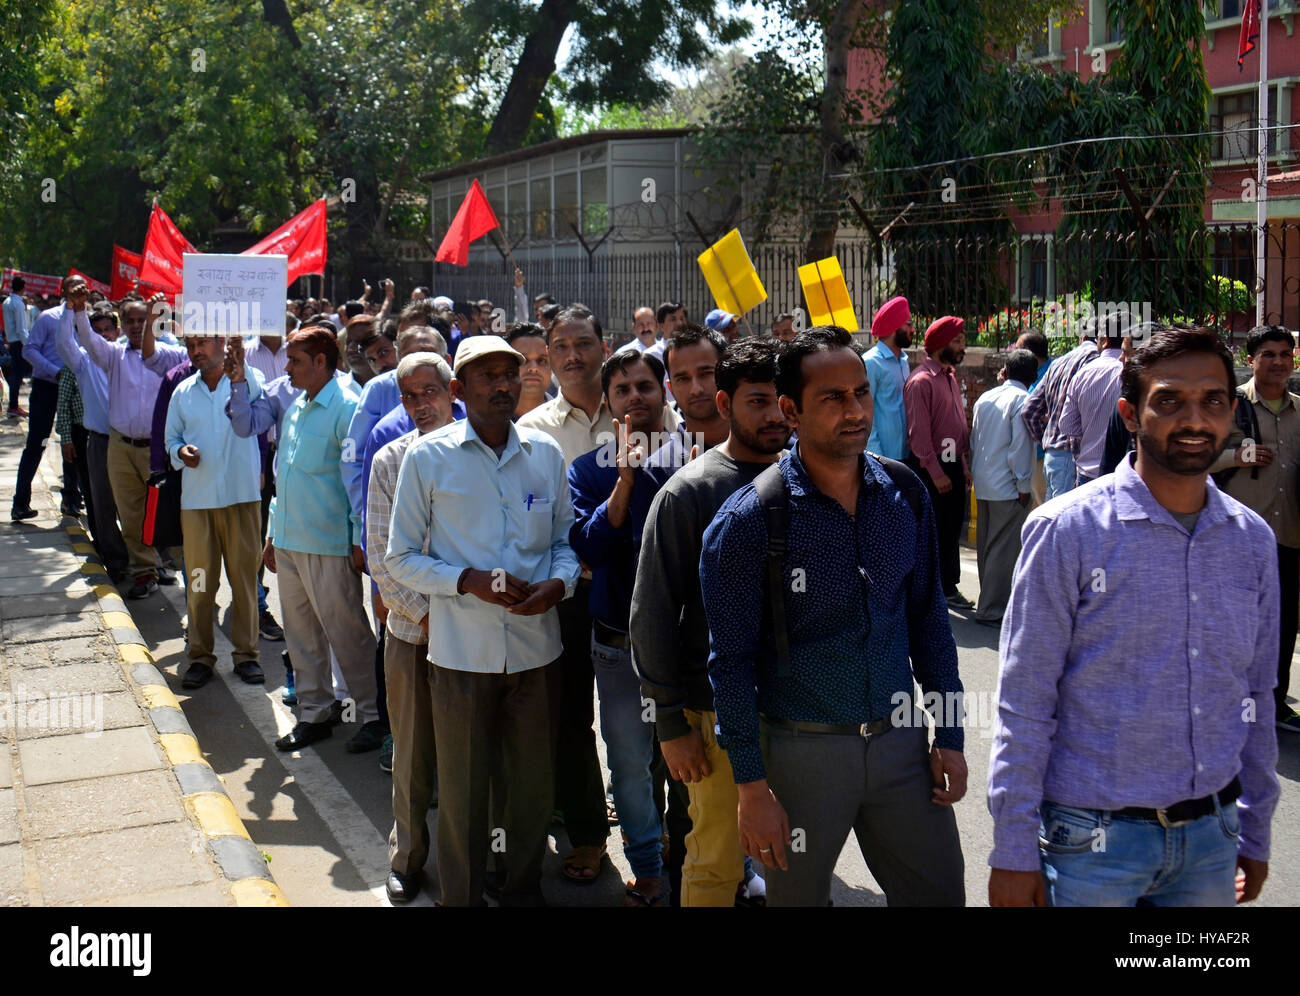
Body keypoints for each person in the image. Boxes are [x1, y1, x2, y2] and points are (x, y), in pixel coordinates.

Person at [989, 326, 1280, 907]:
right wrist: (1013, 850)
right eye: (1169, 400)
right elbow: (1024, 701)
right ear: (1129, 412)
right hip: (1091, 846)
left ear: (1231, 414)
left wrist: (1256, 827)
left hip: (1212, 841)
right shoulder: (1065, 532)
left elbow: (1257, 693)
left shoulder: (1251, 541)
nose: (1194, 420)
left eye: (1213, 401)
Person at [699, 326, 966, 907]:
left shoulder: (905, 494)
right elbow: (731, 665)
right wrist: (751, 787)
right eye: (833, 398)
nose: (855, 411)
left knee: (940, 893)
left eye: (861, 394)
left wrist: (949, 733)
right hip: (801, 758)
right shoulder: (749, 521)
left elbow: (930, 625)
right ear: (791, 410)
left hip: (901, 749)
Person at [385, 335, 580, 906]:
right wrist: (465, 580)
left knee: (529, 791)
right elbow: (398, 559)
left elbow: (565, 543)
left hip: (536, 652)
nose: (501, 386)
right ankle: (462, 897)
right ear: (458, 390)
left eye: (509, 375)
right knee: (464, 794)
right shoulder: (428, 457)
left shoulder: (544, 454)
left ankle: (522, 890)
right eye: (487, 376)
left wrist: (558, 584)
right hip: (460, 656)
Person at [633, 337, 790, 906]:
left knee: (795, 857)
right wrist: (671, 724)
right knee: (716, 860)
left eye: (781, 399)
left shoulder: (815, 479)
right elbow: (650, 614)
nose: (774, 414)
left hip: (804, 712)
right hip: (714, 714)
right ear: (724, 405)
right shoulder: (690, 492)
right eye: (757, 402)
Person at [231, 325, 382, 753]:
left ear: (321, 361)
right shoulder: (297, 405)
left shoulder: (348, 407)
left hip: (330, 543)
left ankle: (373, 716)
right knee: (301, 635)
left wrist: (357, 542)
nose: (288, 368)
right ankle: (315, 713)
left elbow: (356, 484)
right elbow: (285, 478)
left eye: (296, 361)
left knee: (347, 633)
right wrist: (274, 535)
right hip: (292, 542)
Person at [568, 351, 674, 906]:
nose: (635, 397)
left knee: (698, 757)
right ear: (607, 402)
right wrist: (626, 479)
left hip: (685, 646)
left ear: (664, 393)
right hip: (617, 643)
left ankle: (717, 859)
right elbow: (588, 547)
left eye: (644, 386)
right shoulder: (588, 470)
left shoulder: (698, 461)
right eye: (622, 389)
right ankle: (648, 865)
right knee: (630, 763)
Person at [516, 308, 615, 883]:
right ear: (549, 359)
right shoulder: (533, 432)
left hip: (635, 594)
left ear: (604, 347)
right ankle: (588, 832)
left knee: (651, 722)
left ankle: (666, 835)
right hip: (570, 597)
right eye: (561, 347)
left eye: (583, 343)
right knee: (571, 717)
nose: (573, 355)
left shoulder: (640, 411)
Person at [366, 351, 456, 903]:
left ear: (453, 391)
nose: (420, 404)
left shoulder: (486, 451)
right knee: (412, 755)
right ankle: (407, 857)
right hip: (412, 634)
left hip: (476, 637)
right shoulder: (390, 460)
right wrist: (428, 617)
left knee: (476, 755)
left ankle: (482, 857)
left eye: (430, 391)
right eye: (409, 395)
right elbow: (381, 554)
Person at [156, 328, 265, 689]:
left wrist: (242, 371)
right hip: (198, 502)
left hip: (242, 498)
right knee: (200, 583)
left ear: (222, 342)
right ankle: (200, 656)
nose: (195, 351)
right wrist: (179, 453)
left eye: (202, 343)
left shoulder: (251, 380)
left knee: (245, 581)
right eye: (190, 345)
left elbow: (261, 419)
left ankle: (247, 655)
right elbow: (170, 438)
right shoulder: (183, 392)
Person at [1208, 325, 1300, 734]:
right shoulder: (1231, 406)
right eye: (1269, 354)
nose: (1278, 362)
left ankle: (1275, 704)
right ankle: (1231, 703)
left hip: (1290, 535)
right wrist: (1235, 457)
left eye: (1285, 354)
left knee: (1283, 625)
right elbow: (1201, 460)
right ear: (1252, 359)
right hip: (1239, 539)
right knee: (1236, 624)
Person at [73, 292, 188, 597]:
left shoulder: (170, 356)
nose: (137, 326)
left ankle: (187, 576)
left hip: (159, 449)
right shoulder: (113, 355)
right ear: (122, 324)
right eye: (132, 321)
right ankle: (143, 572)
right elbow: (86, 337)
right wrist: (78, 308)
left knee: (168, 512)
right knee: (131, 513)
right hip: (120, 447)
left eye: (143, 320)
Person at [56, 304, 129, 579]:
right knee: (103, 506)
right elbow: (63, 342)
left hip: (131, 443)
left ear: (116, 331)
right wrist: (71, 308)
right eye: (95, 331)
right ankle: (117, 563)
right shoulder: (82, 361)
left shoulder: (128, 357)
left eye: (107, 330)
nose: (101, 336)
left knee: (135, 505)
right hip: (99, 442)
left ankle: (148, 564)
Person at [903, 316, 972, 608]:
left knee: (952, 527)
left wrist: (963, 467)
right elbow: (919, 435)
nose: (962, 345)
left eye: (962, 340)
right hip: (932, 469)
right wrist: (936, 472)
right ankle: (935, 589)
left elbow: (957, 426)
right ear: (940, 344)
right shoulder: (921, 381)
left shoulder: (950, 376)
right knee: (935, 530)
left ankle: (948, 585)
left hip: (953, 464)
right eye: (957, 340)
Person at [969, 349, 1037, 626]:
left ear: (1006, 371)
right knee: (1002, 548)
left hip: (983, 480)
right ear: (1033, 376)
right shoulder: (1023, 399)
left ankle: (989, 601)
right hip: (1007, 484)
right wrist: (1023, 485)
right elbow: (1019, 448)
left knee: (987, 546)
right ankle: (992, 608)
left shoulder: (986, 397)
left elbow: (974, 440)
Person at [11, 276, 80, 521]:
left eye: (83, 289)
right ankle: (20, 502)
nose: (79, 293)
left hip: (74, 391)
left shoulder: (85, 321)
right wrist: (55, 371)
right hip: (47, 388)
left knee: (72, 444)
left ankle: (71, 500)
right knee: (37, 444)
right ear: (64, 291)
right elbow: (29, 349)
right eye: (74, 288)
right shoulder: (49, 318)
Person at [1021, 321, 1099, 500]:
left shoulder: (1059, 363)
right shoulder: (1095, 361)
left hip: (1052, 455)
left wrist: (1046, 441)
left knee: (1053, 518)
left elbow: (1029, 410)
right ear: (1102, 339)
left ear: (1082, 337)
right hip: (1071, 457)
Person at [1058, 309, 1133, 486]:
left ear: (1104, 340)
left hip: (1088, 474)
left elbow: (1066, 425)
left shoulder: (1083, 374)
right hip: (1125, 474)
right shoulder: (1138, 374)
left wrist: (1091, 429)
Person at [863, 295, 913, 461]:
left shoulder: (904, 361)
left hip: (906, 455)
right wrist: (876, 458)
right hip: (882, 458)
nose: (913, 330)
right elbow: (865, 412)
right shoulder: (871, 362)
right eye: (909, 324)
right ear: (894, 326)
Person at [1013, 330, 1051, 505]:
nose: (1013, 351)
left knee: (1041, 503)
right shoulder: (1042, 372)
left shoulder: (1047, 376)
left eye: (1018, 348)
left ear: (1028, 351)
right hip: (1032, 453)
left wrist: (1040, 439)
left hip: (1041, 455)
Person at [506, 323, 552, 418]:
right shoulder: (484, 422)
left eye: (542, 360)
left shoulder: (573, 423)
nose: (533, 368)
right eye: (523, 360)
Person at [4, 276, 30, 416]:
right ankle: (13, 405)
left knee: (16, 373)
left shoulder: (7, 301)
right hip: (19, 342)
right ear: (23, 287)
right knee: (18, 374)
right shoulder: (18, 304)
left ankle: (13, 404)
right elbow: (21, 328)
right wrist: (28, 345)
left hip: (12, 340)